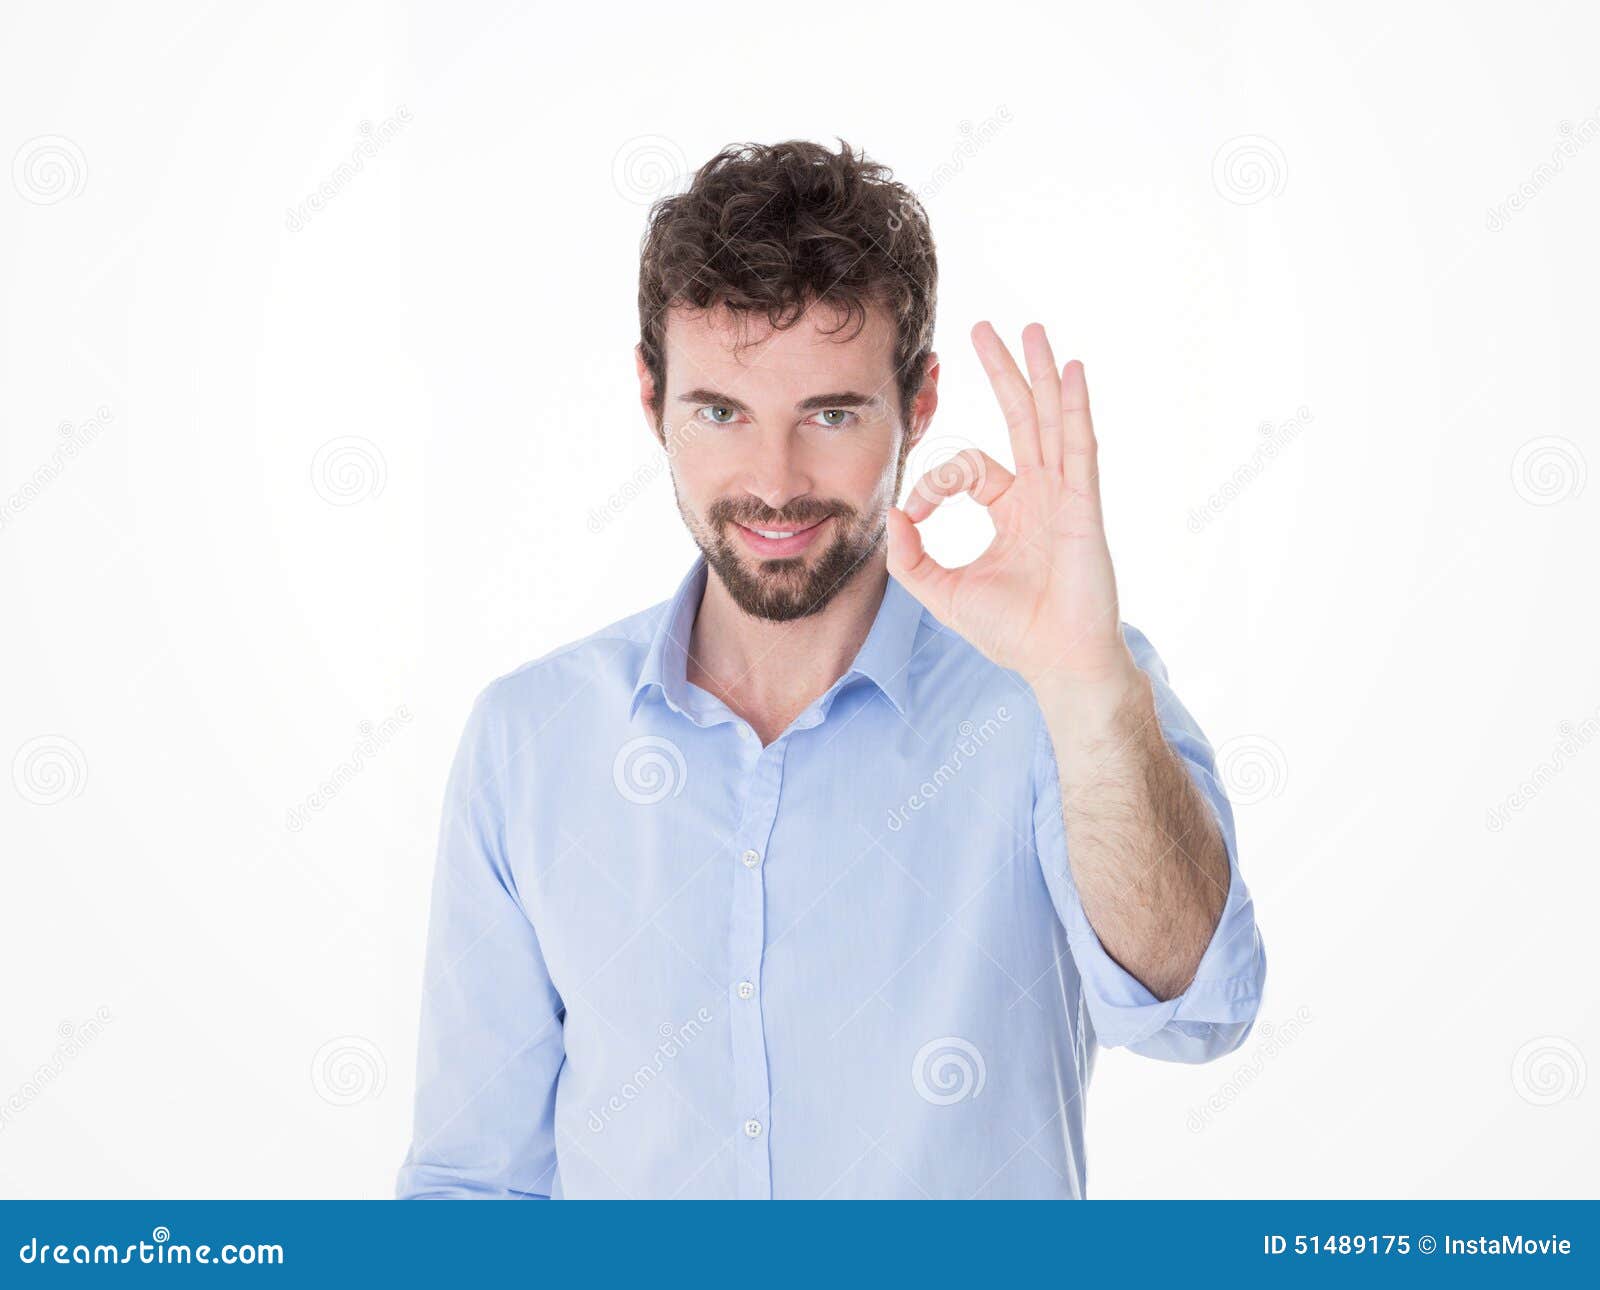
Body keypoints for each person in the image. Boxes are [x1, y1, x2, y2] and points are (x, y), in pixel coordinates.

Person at [397, 138, 1265, 1199]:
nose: (772, 481)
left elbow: (1199, 1008)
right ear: (649, 397)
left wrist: (1084, 688)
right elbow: (472, 1189)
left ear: (920, 401)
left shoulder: (1058, 693)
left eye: (831, 414)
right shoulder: (529, 741)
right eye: (720, 412)